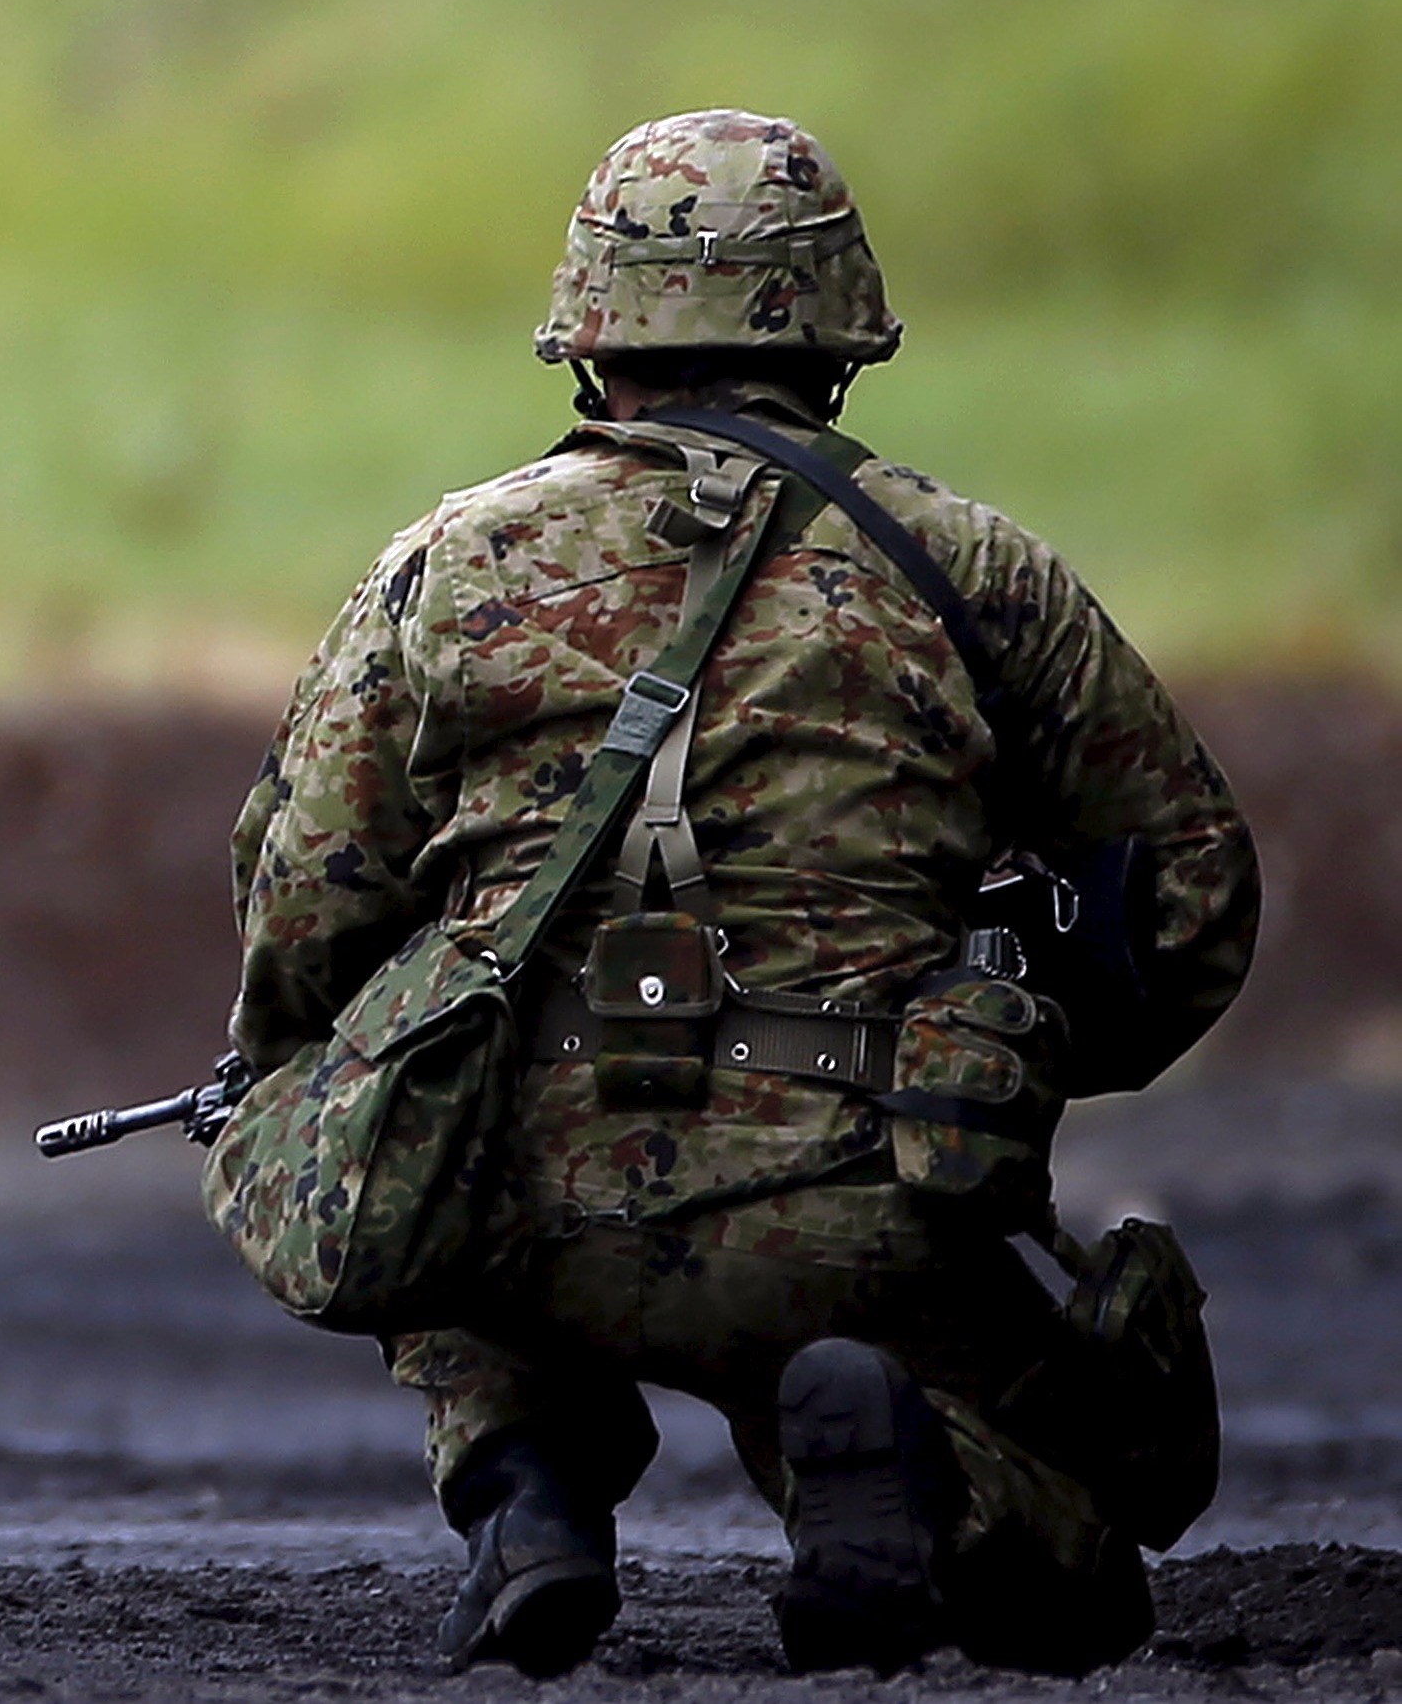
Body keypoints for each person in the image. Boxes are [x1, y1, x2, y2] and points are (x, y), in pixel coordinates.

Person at [212, 110, 1258, 1676]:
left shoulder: (444, 569)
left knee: (381, 1110)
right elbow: (1191, 900)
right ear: (840, 333)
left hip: (519, 1205)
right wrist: (1011, 1040)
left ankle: (524, 1480)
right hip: (863, 1196)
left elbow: (306, 907)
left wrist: (323, 1055)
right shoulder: (973, 569)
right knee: (1083, 1584)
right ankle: (912, 1478)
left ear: (589, 337)